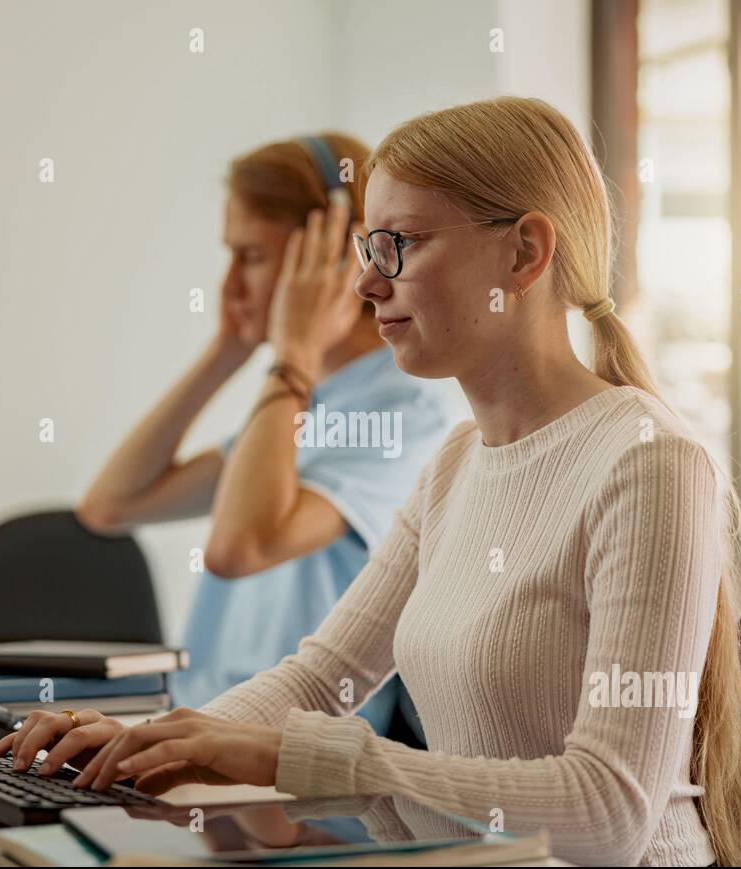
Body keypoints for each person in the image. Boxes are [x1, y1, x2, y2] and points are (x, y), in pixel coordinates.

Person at [0, 98, 741, 867]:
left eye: (399, 245)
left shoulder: (650, 462)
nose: (366, 284)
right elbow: (322, 675)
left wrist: (312, 762)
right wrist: (147, 747)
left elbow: (608, 817)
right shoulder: (456, 465)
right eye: (368, 247)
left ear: (524, 254)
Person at [74, 133, 460, 740]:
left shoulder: (405, 408)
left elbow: (240, 547)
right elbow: (109, 506)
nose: (229, 284)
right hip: (201, 728)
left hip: (289, 764)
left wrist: (294, 356)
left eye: (250, 257)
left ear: (337, 255)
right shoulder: (300, 400)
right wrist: (226, 351)